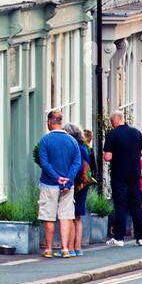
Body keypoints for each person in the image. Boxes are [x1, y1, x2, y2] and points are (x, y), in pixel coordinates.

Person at [37, 109, 82, 258]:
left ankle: (49, 248)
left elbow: (44, 162)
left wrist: (57, 178)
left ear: (50, 122)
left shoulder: (45, 140)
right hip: (68, 185)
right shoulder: (73, 141)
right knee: (65, 216)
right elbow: (77, 162)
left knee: (48, 216)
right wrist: (68, 178)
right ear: (60, 123)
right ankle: (65, 249)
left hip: (49, 183)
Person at [101, 112, 142, 246]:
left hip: (119, 174)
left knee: (120, 205)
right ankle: (141, 237)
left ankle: (119, 238)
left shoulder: (112, 135)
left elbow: (108, 157)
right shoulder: (136, 132)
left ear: (114, 121)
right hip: (134, 173)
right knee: (136, 205)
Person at [69, 126, 94, 256]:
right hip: (84, 184)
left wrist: (72, 181)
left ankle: (71, 248)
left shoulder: (75, 147)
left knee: (71, 216)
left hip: (76, 183)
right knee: (78, 217)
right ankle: (77, 247)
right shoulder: (84, 146)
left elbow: (77, 166)